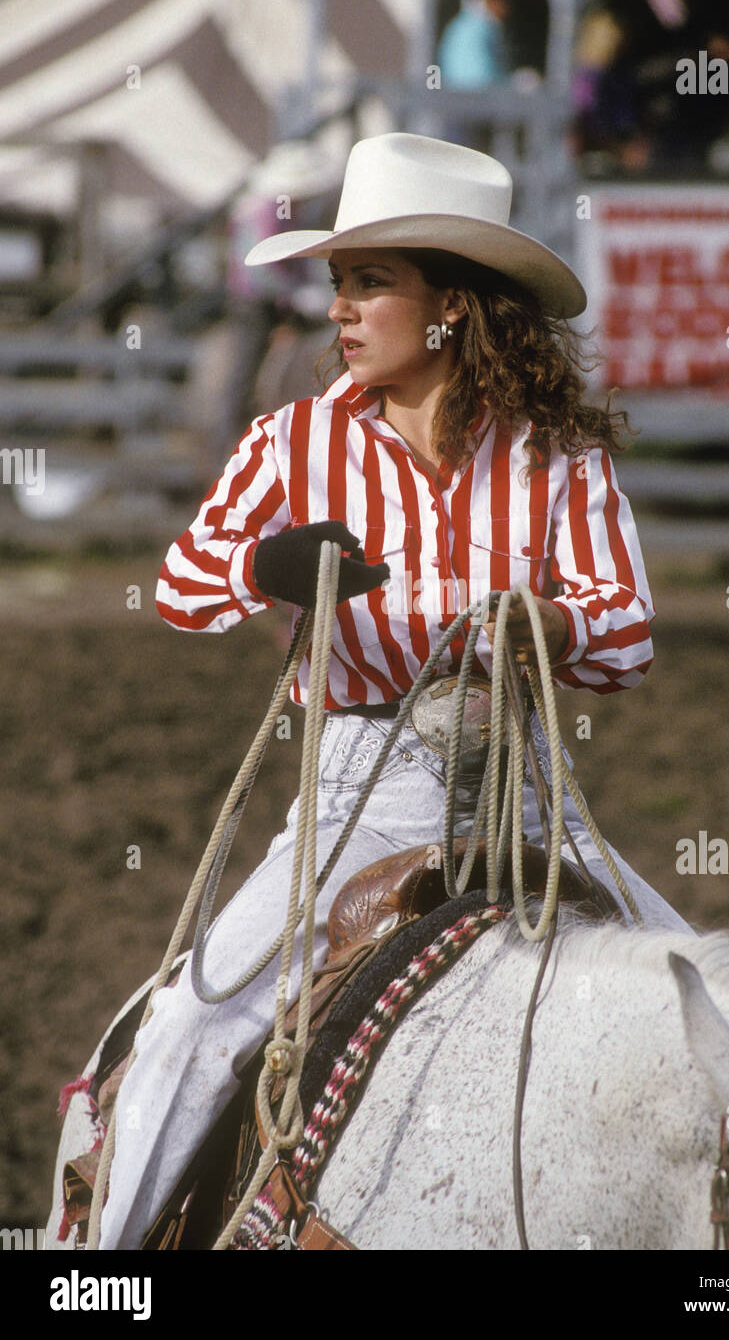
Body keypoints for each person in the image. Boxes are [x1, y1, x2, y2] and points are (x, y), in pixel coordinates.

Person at [97, 132, 691, 1249]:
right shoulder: (294, 442)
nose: (339, 309)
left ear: (450, 306)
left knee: (712, 1014)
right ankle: (98, 1272)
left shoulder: (557, 455)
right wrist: (263, 569)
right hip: (357, 794)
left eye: (370, 281)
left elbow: (624, 636)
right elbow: (179, 585)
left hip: (526, 789)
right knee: (192, 1023)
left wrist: (540, 620)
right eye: (337, 282)